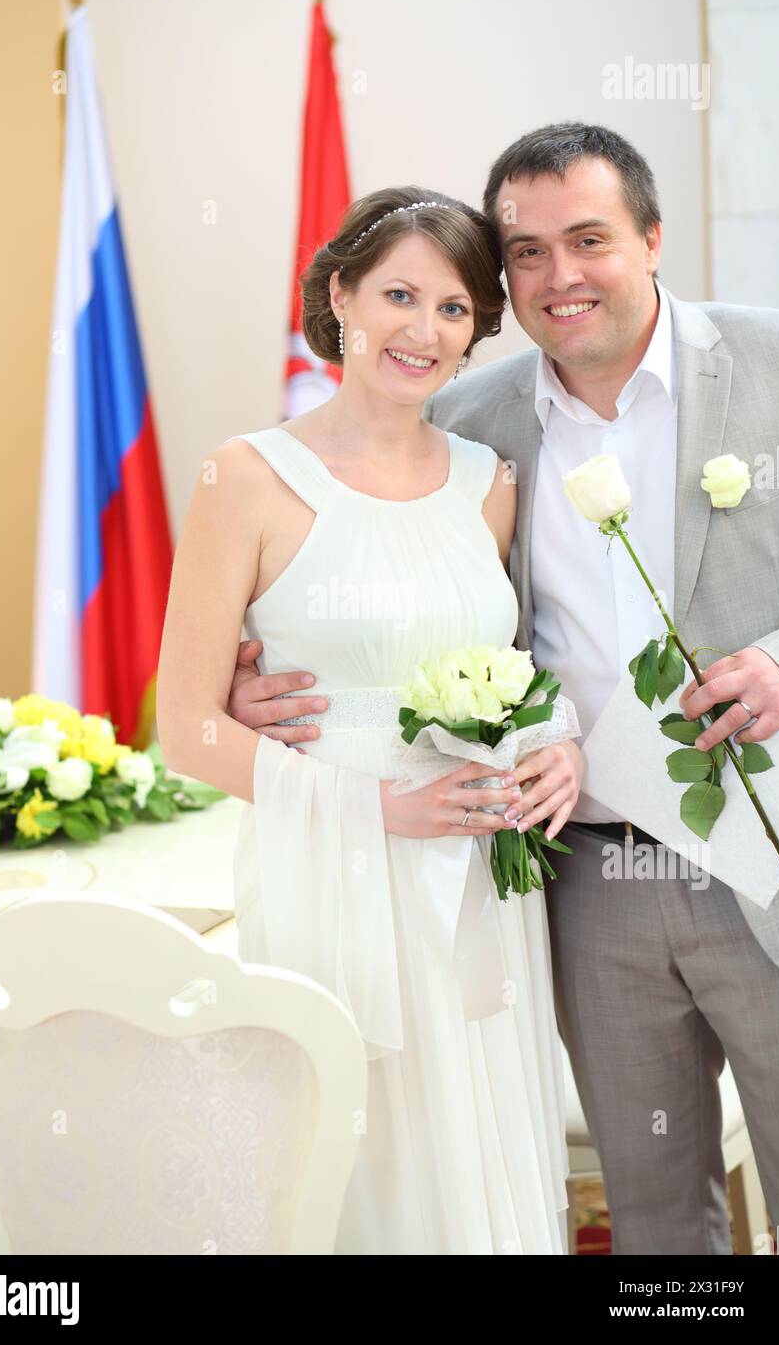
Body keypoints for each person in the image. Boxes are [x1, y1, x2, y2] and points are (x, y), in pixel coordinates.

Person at [231, 122, 779, 1255]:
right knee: (650, 1217)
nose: (556, 275)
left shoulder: (777, 363)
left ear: (649, 236)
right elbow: (388, 591)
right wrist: (256, 684)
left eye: (586, 239)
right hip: (580, 877)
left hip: (769, 849)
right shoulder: (463, 425)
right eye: (522, 252)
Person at [157, 185, 585, 1254]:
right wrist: (378, 807)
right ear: (338, 291)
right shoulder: (245, 478)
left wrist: (555, 741)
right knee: (361, 1156)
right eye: (397, 293)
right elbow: (187, 729)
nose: (424, 330)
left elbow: (526, 668)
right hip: (333, 868)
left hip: (483, 884)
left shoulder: (490, 484)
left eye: (453, 308)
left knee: (479, 1143)